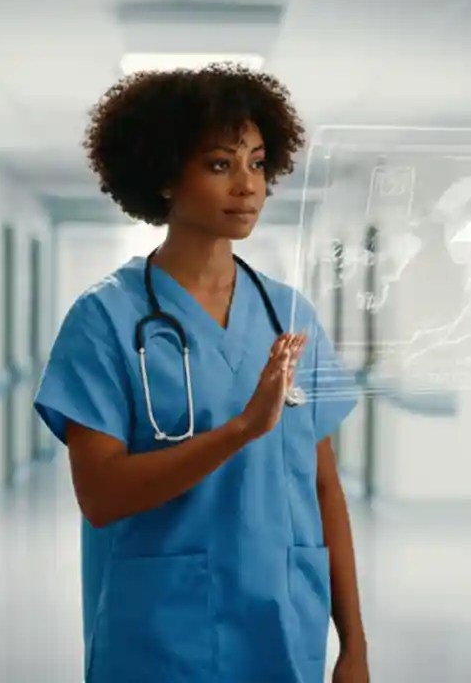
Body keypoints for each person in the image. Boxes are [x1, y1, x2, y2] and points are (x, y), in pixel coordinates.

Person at [34, 63, 369, 683]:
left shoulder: (289, 314)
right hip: (162, 633)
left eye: (259, 163)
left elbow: (324, 490)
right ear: (163, 176)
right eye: (220, 164)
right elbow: (101, 496)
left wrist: (354, 645)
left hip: (285, 626)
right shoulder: (105, 318)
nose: (248, 185)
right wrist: (240, 430)